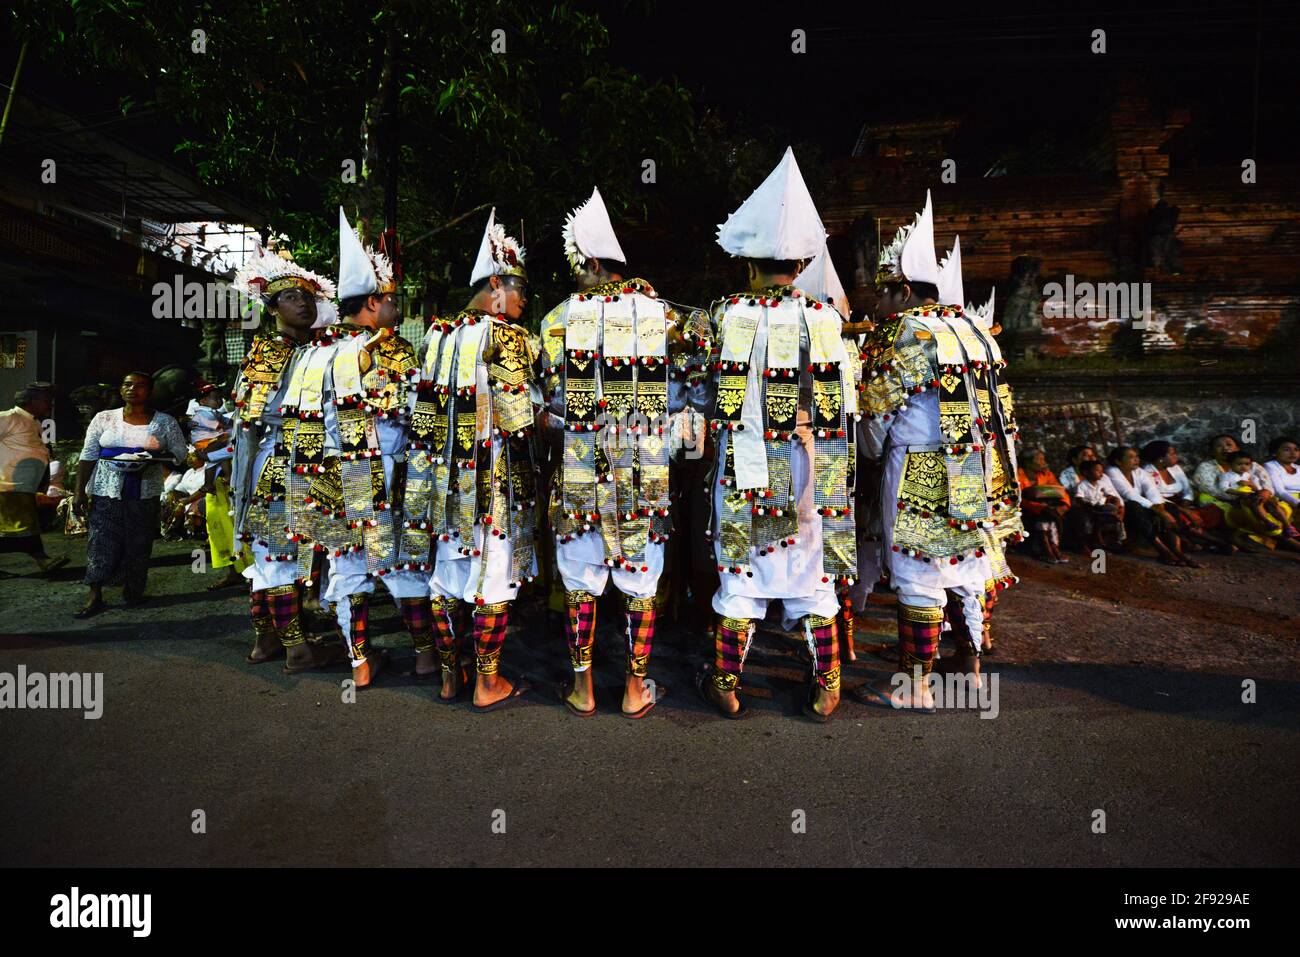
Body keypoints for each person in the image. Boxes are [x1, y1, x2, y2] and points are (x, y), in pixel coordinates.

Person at [695, 148, 858, 722]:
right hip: (810, 462)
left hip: (742, 462)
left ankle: (726, 684)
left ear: (749, 263)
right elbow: (847, 399)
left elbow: (694, 392)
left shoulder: (719, 316)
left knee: (741, 572)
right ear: (798, 264)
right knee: (810, 575)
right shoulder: (825, 320)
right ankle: (827, 686)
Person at [538, 187, 705, 718]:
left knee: (581, 582)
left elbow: (548, 407)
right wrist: (666, 439)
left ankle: (583, 689)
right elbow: (695, 399)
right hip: (645, 472)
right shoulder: (669, 319)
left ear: (589, 263)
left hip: (581, 469)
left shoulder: (556, 320)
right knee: (640, 581)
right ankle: (635, 689)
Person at [852, 194, 1022, 712]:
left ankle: (914, 684)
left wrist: (869, 453)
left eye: (884, 293)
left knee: (919, 573)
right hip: (980, 464)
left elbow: (875, 420)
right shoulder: (976, 331)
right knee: (969, 567)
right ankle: (969, 673)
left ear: (903, 291)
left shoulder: (904, 333)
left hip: (921, 465)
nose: (878, 304)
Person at [410, 208, 537, 710]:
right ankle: (487, 682)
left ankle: (448, 676)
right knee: (492, 579)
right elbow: (518, 418)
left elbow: (423, 417)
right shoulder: (504, 336)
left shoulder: (437, 335)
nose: (524, 300)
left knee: (445, 579)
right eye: (519, 288)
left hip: (445, 484)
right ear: (494, 285)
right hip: (493, 483)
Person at [230, 245, 345, 671]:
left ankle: (265, 642)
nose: (304, 302)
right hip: (280, 461)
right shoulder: (272, 350)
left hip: (303, 459)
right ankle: (297, 650)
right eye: (292, 297)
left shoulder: (313, 346)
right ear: (273, 307)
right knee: (278, 556)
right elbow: (255, 411)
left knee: (273, 556)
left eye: (308, 296)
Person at [72, 372, 189, 617]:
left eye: (140, 386)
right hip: (106, 490)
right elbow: (88, 455)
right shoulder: (103, 418)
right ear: (120, 388)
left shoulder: (164, 422)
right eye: (127, 384)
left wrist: (152, 458)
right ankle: (95, 595)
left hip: (145, 490)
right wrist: (79, 492)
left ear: (150, 390)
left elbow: (180, 453)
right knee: (100, 540)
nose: (132, 389)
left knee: (139, 541)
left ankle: (133, 590)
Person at [0, 382, 68, 575]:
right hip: (9, 486)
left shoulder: (34, 422)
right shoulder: (9, 418)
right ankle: (43, 561)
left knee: (19, 528)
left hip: (23, 487)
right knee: (24, 528)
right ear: (32, 401)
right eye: (47, 401)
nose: (50, 406)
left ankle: (43, 560)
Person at [1192, 433, 1293, 549]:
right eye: (1219, 446)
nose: (1225, 448)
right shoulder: (1206, 467)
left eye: (1229, 445)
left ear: (1237, 448)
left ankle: (1282, 531)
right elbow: (1209, 488)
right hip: (1226, 503)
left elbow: (1267, 485)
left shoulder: (1253, 465)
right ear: (1212, 452)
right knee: (1250, 509)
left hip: (1256, 498)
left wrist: (1265, 492)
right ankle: (1284, 539)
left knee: (1275, 506)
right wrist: (1242, 495)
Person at [1104, 445, 1196, 566]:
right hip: (1125, 510)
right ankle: (1163, 551)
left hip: (1141, 505)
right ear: (1118, 461)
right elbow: (1129, 494)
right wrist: (1160, 512)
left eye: (1136, 456)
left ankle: (1176, 550)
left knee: (1170, 507)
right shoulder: (1112, 472)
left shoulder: (1139, 471)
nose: (1136, 459)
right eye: (1131, 457)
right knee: (1134, 506)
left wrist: (1161, 509)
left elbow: (1152, 491)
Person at [1140, 439, 1235, 554]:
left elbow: (1187, 490)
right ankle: (1218, 542)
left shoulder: (1175, 468)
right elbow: (1156, 498)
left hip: (1182, 503)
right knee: (1180, 517)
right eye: (1172, 454)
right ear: (1161, 458)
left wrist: (1186, 507)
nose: (1176, 456)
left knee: (1215, 510)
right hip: (1163, 506)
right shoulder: (1147, 473)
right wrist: (1184, 511)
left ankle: (1194, 540)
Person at [1217, 451, 1296, 546]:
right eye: (1239, 464)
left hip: (1251, 494)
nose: (1243, 467)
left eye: (1246, 464)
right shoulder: (1226, 476)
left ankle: (1288, 526)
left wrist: (1252, 485)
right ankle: (1266, 521)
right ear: (1230, 464)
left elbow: (1255, 488)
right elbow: (1224, 488)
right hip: (1239, 498)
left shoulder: (1247, 475)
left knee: (1272, 503)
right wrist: (1241, 493)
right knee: (1255, 502)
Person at [1017, 447, 1070, 563]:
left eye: (1043, 459)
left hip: (1047, 508)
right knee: (1045, 515)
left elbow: (1061, 491)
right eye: (1039, 459)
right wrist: (1040, 508)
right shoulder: (1017, 475)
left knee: (1050, 514)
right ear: (1027, 462)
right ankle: (1048, 548)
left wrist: (1064, 505)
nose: (1043, 462)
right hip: (1025, 509)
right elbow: (1017, 498)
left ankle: (1051, 547)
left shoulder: (1047, 474)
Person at [1068, 459, 1126, 550]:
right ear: (1086, 472)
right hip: (1088, 508)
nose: (1101, 473)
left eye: (1102, 471)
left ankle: (1118, 540)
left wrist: (1115, 503)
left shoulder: (1101, 484)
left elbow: (1111, 496)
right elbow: (1079, 499)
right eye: (1097, 471)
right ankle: (1089, 542)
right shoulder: (1082, 485)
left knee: (1113, 513)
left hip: (1101, 508)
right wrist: (1087, 506)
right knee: (1090, 520)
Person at [1263, 437, 1300, 510]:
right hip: (1284, 502)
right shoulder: (1270, 466)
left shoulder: (1298, 468)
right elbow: (1279, 491)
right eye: (1287, 450)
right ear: (1274, 453)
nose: (1293, 453)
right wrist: (1297, 503)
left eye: (1296, 449)